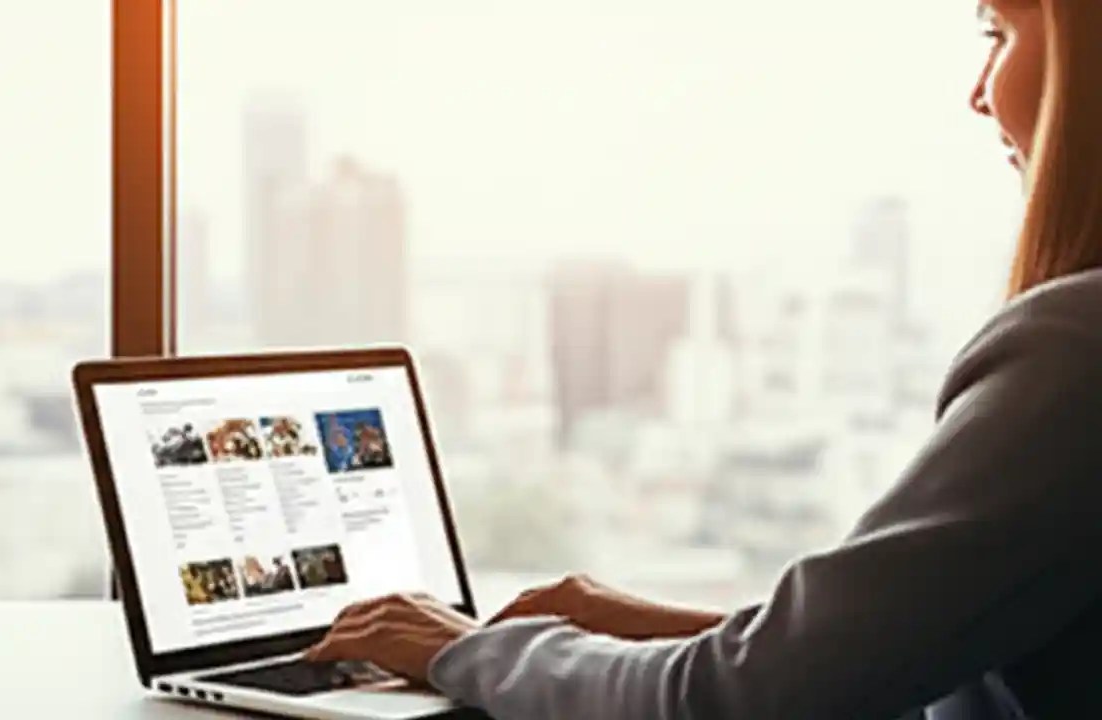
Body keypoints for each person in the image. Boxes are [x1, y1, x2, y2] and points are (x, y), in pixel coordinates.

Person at [305, 2, 1102, 717]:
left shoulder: (1074, 352)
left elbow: (742, 700)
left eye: (996, 33)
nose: (977, 93)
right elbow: (880, 667)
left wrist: (470, 651)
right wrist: (656, 632)